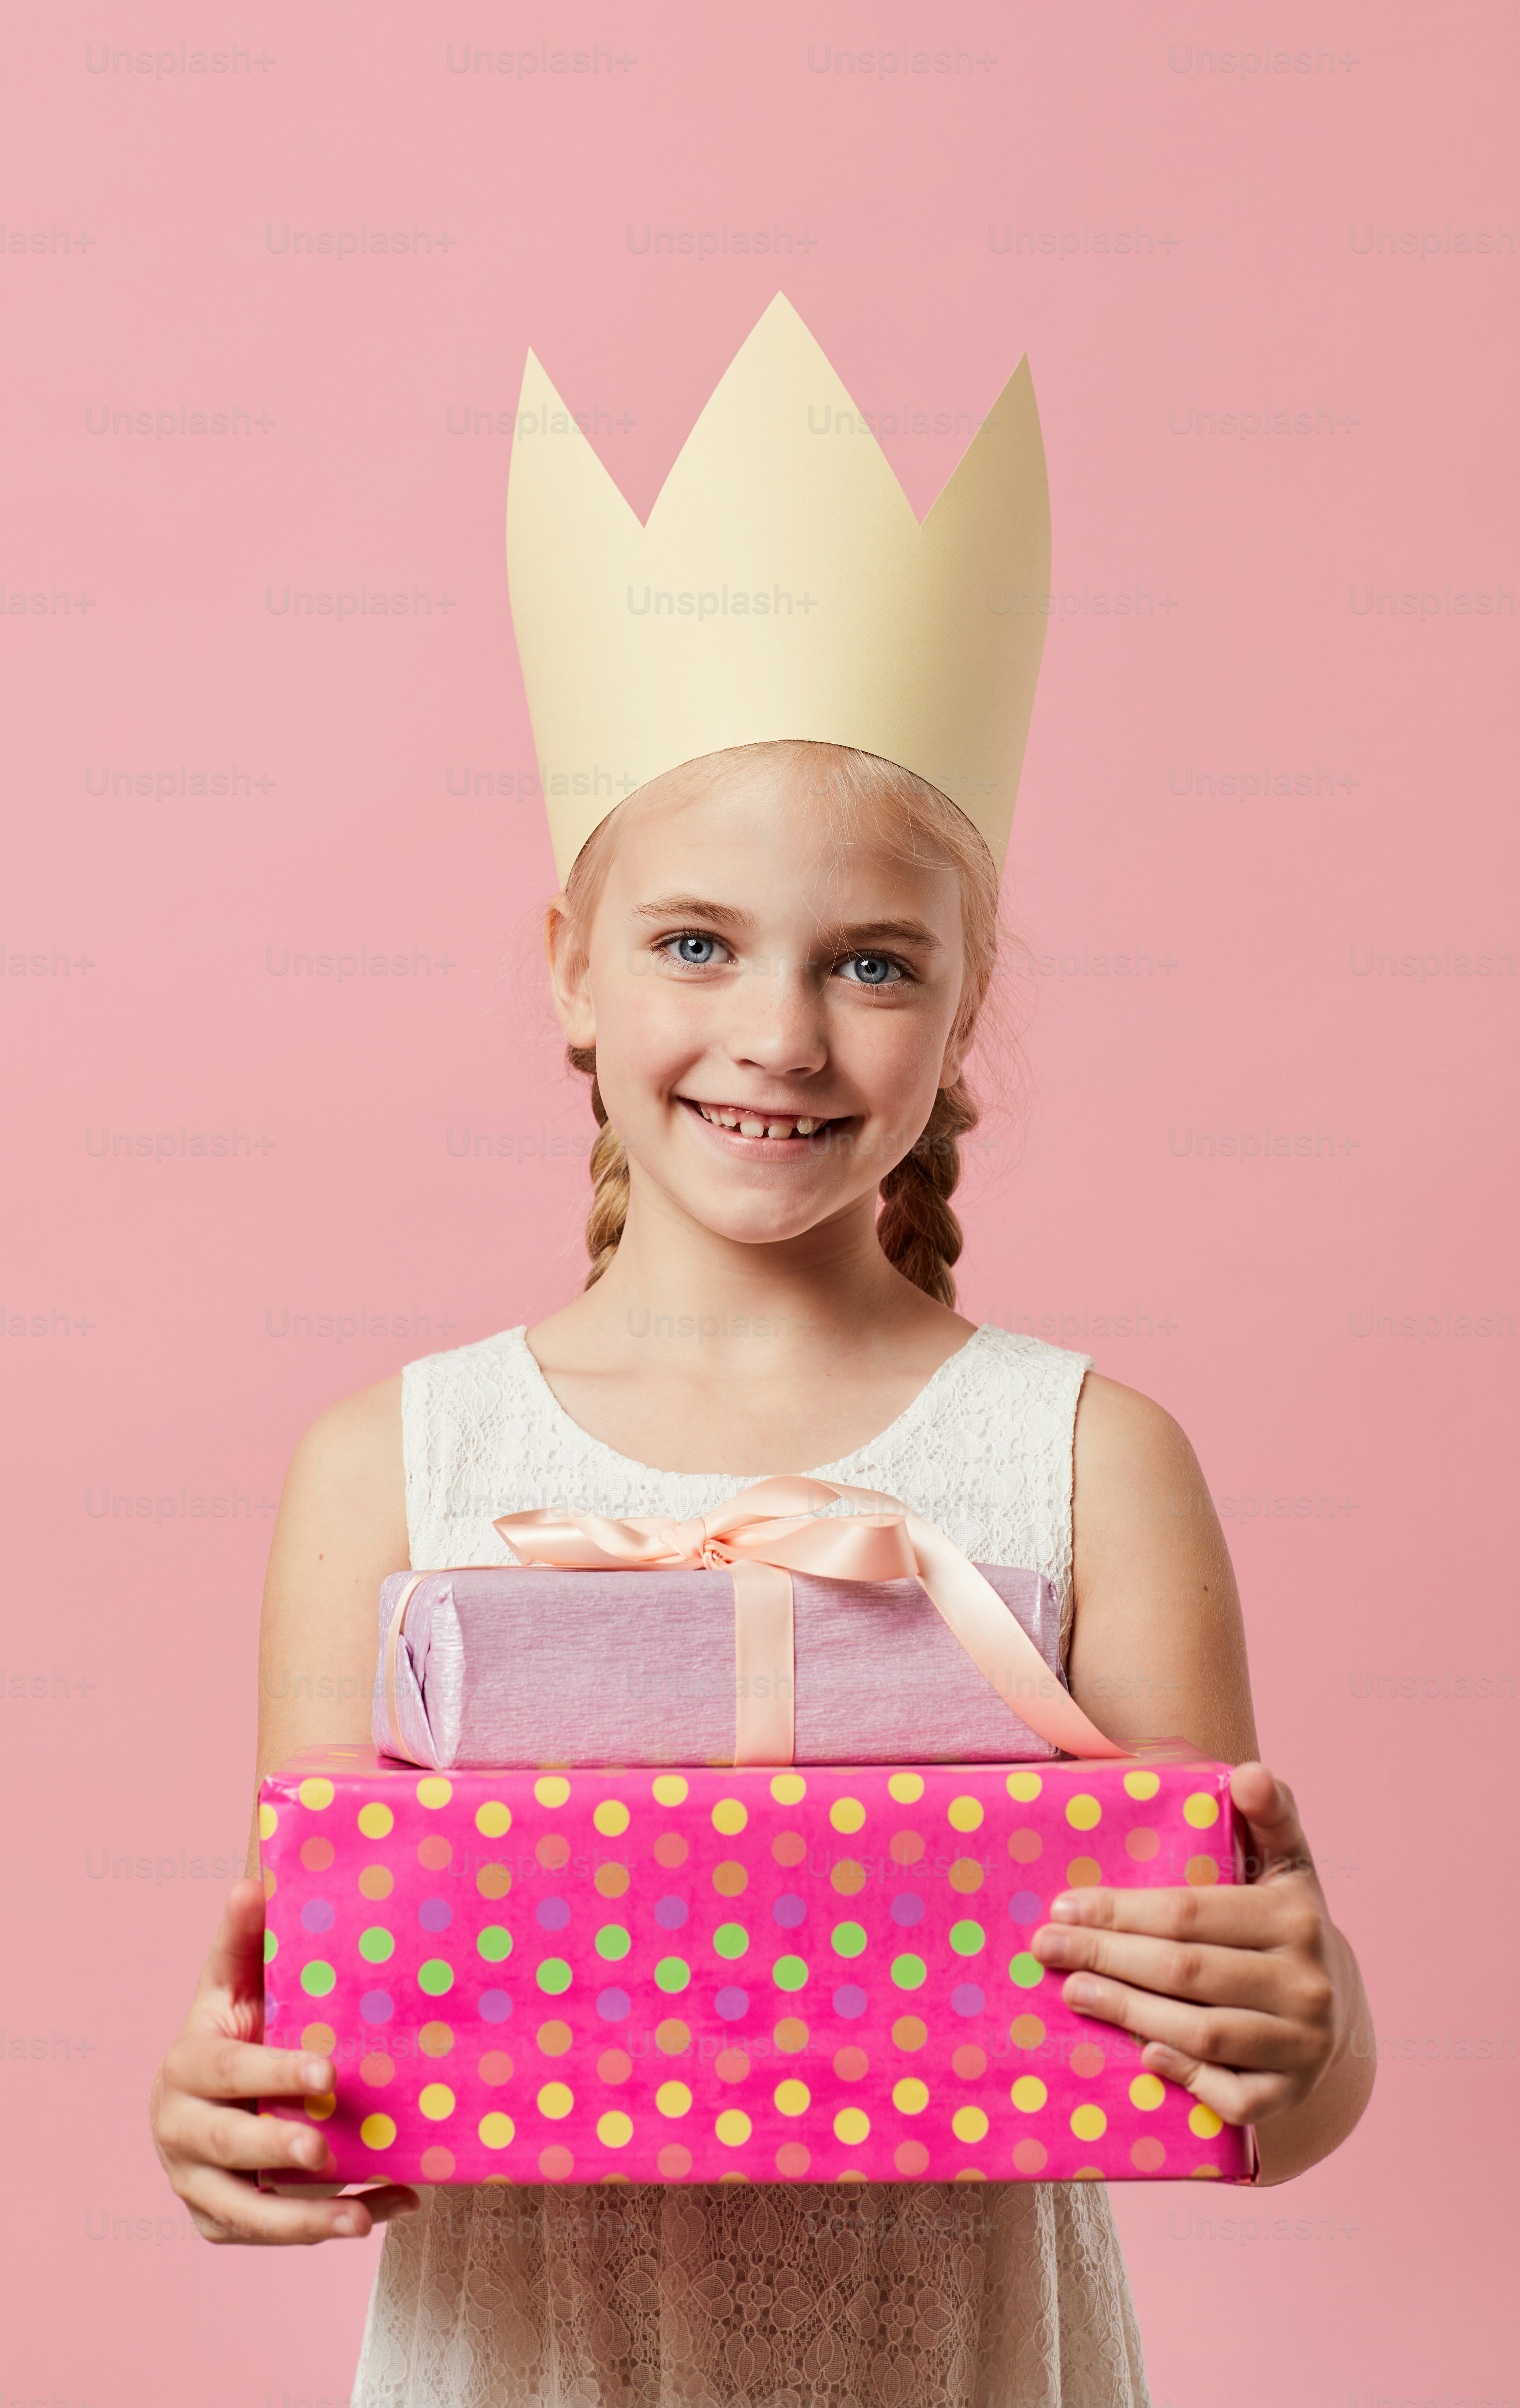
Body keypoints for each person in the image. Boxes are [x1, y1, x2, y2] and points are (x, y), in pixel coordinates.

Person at [149, 302, 1374, 2408]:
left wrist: (1308, 2012)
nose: (782, 1038)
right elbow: (309, 2002)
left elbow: (1267, 2076)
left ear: (966, 997)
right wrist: (225, 2119)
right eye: (697, 942)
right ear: (571, 967)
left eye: (874, 964)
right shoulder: (393, 1467)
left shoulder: (1092, 1456)